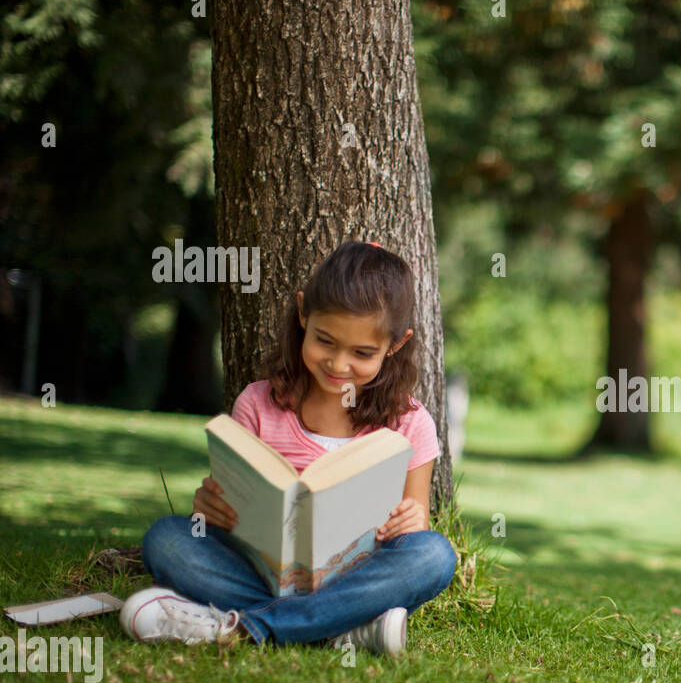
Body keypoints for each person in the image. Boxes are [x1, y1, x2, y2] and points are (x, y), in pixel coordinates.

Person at [122, 241, 457, 656]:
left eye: (362, 353)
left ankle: (249, 626)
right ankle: (342, 628)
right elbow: (228, 517)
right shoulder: (258, 405)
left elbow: (416, 524)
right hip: (261, 576)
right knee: (167, 540)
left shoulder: (410, 423)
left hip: (358, 577)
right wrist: (205, 511)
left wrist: (413, 519)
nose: (338, 364)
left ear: (395, 344)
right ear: (303, 314)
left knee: (434, 555)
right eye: (325, 341)